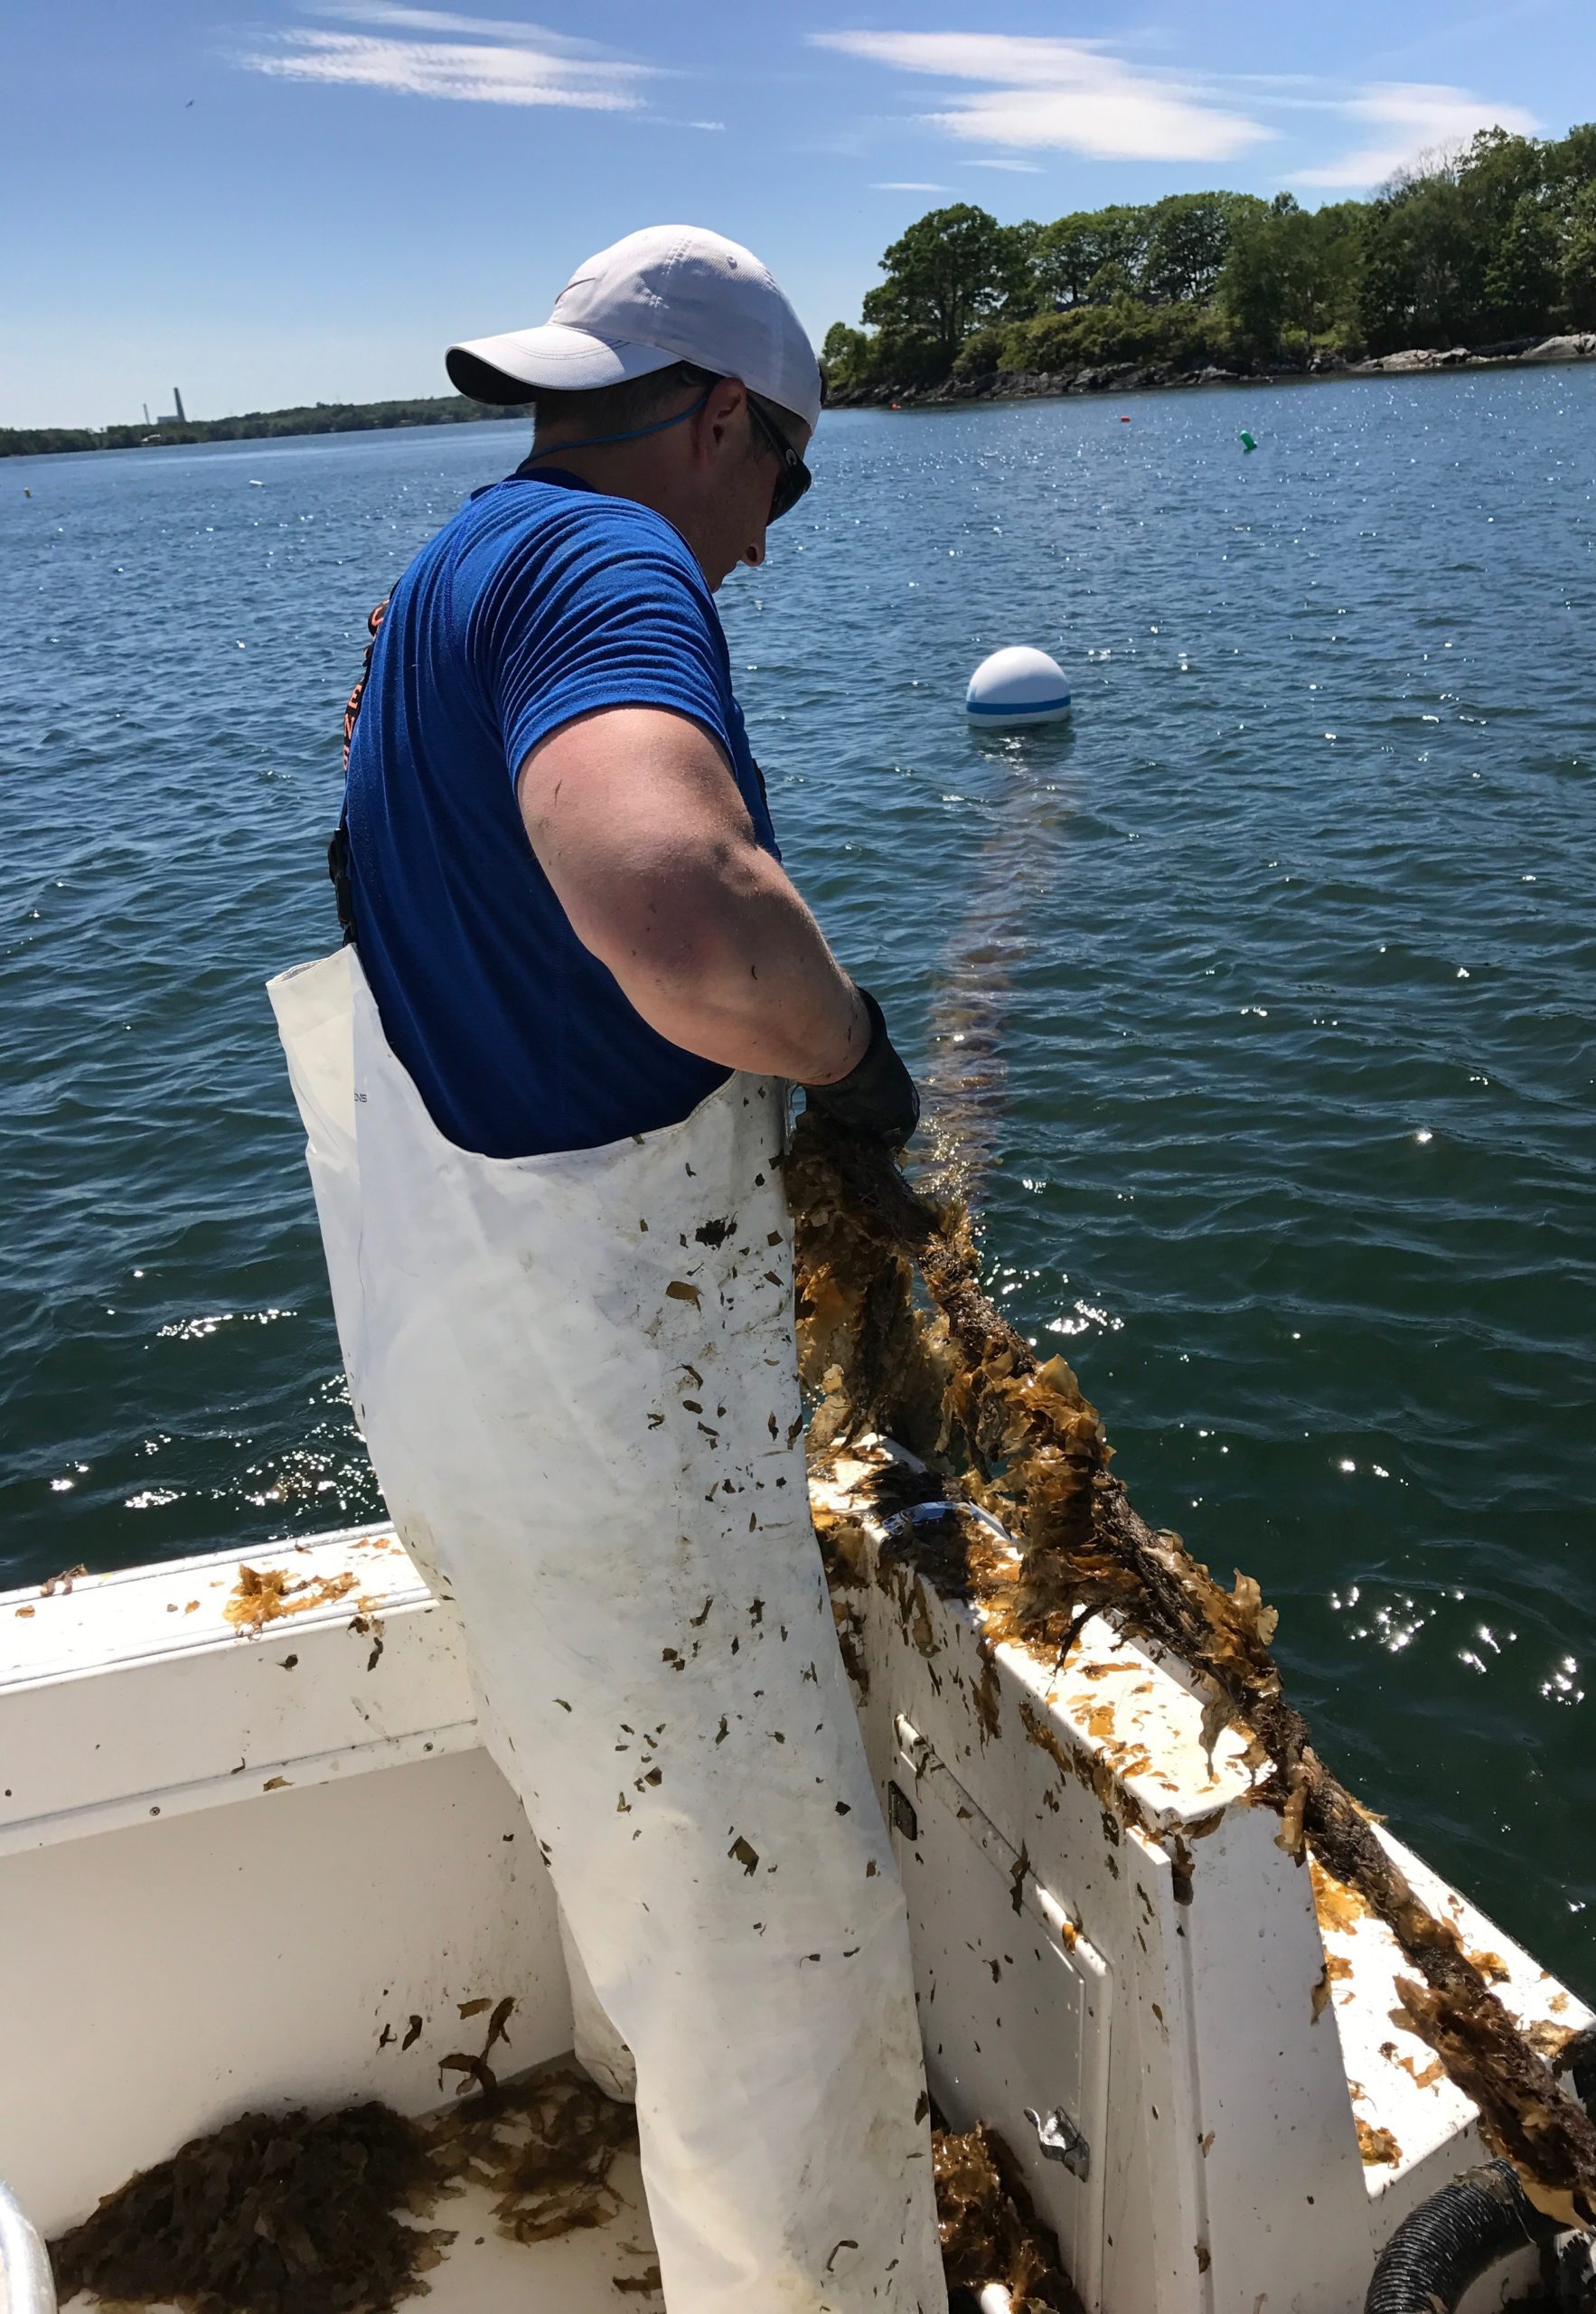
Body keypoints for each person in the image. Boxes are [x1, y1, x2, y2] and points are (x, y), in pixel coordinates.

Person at [268, 225, 945, 2314]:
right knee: (777, 1946)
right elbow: (673, 893)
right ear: (721, 419)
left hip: (459, 1361)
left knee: (640, 1855)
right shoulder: (604, 562)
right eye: (789, 482)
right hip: (605, 1395)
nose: (764, 545)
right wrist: (851, 1058)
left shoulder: (442, 579)